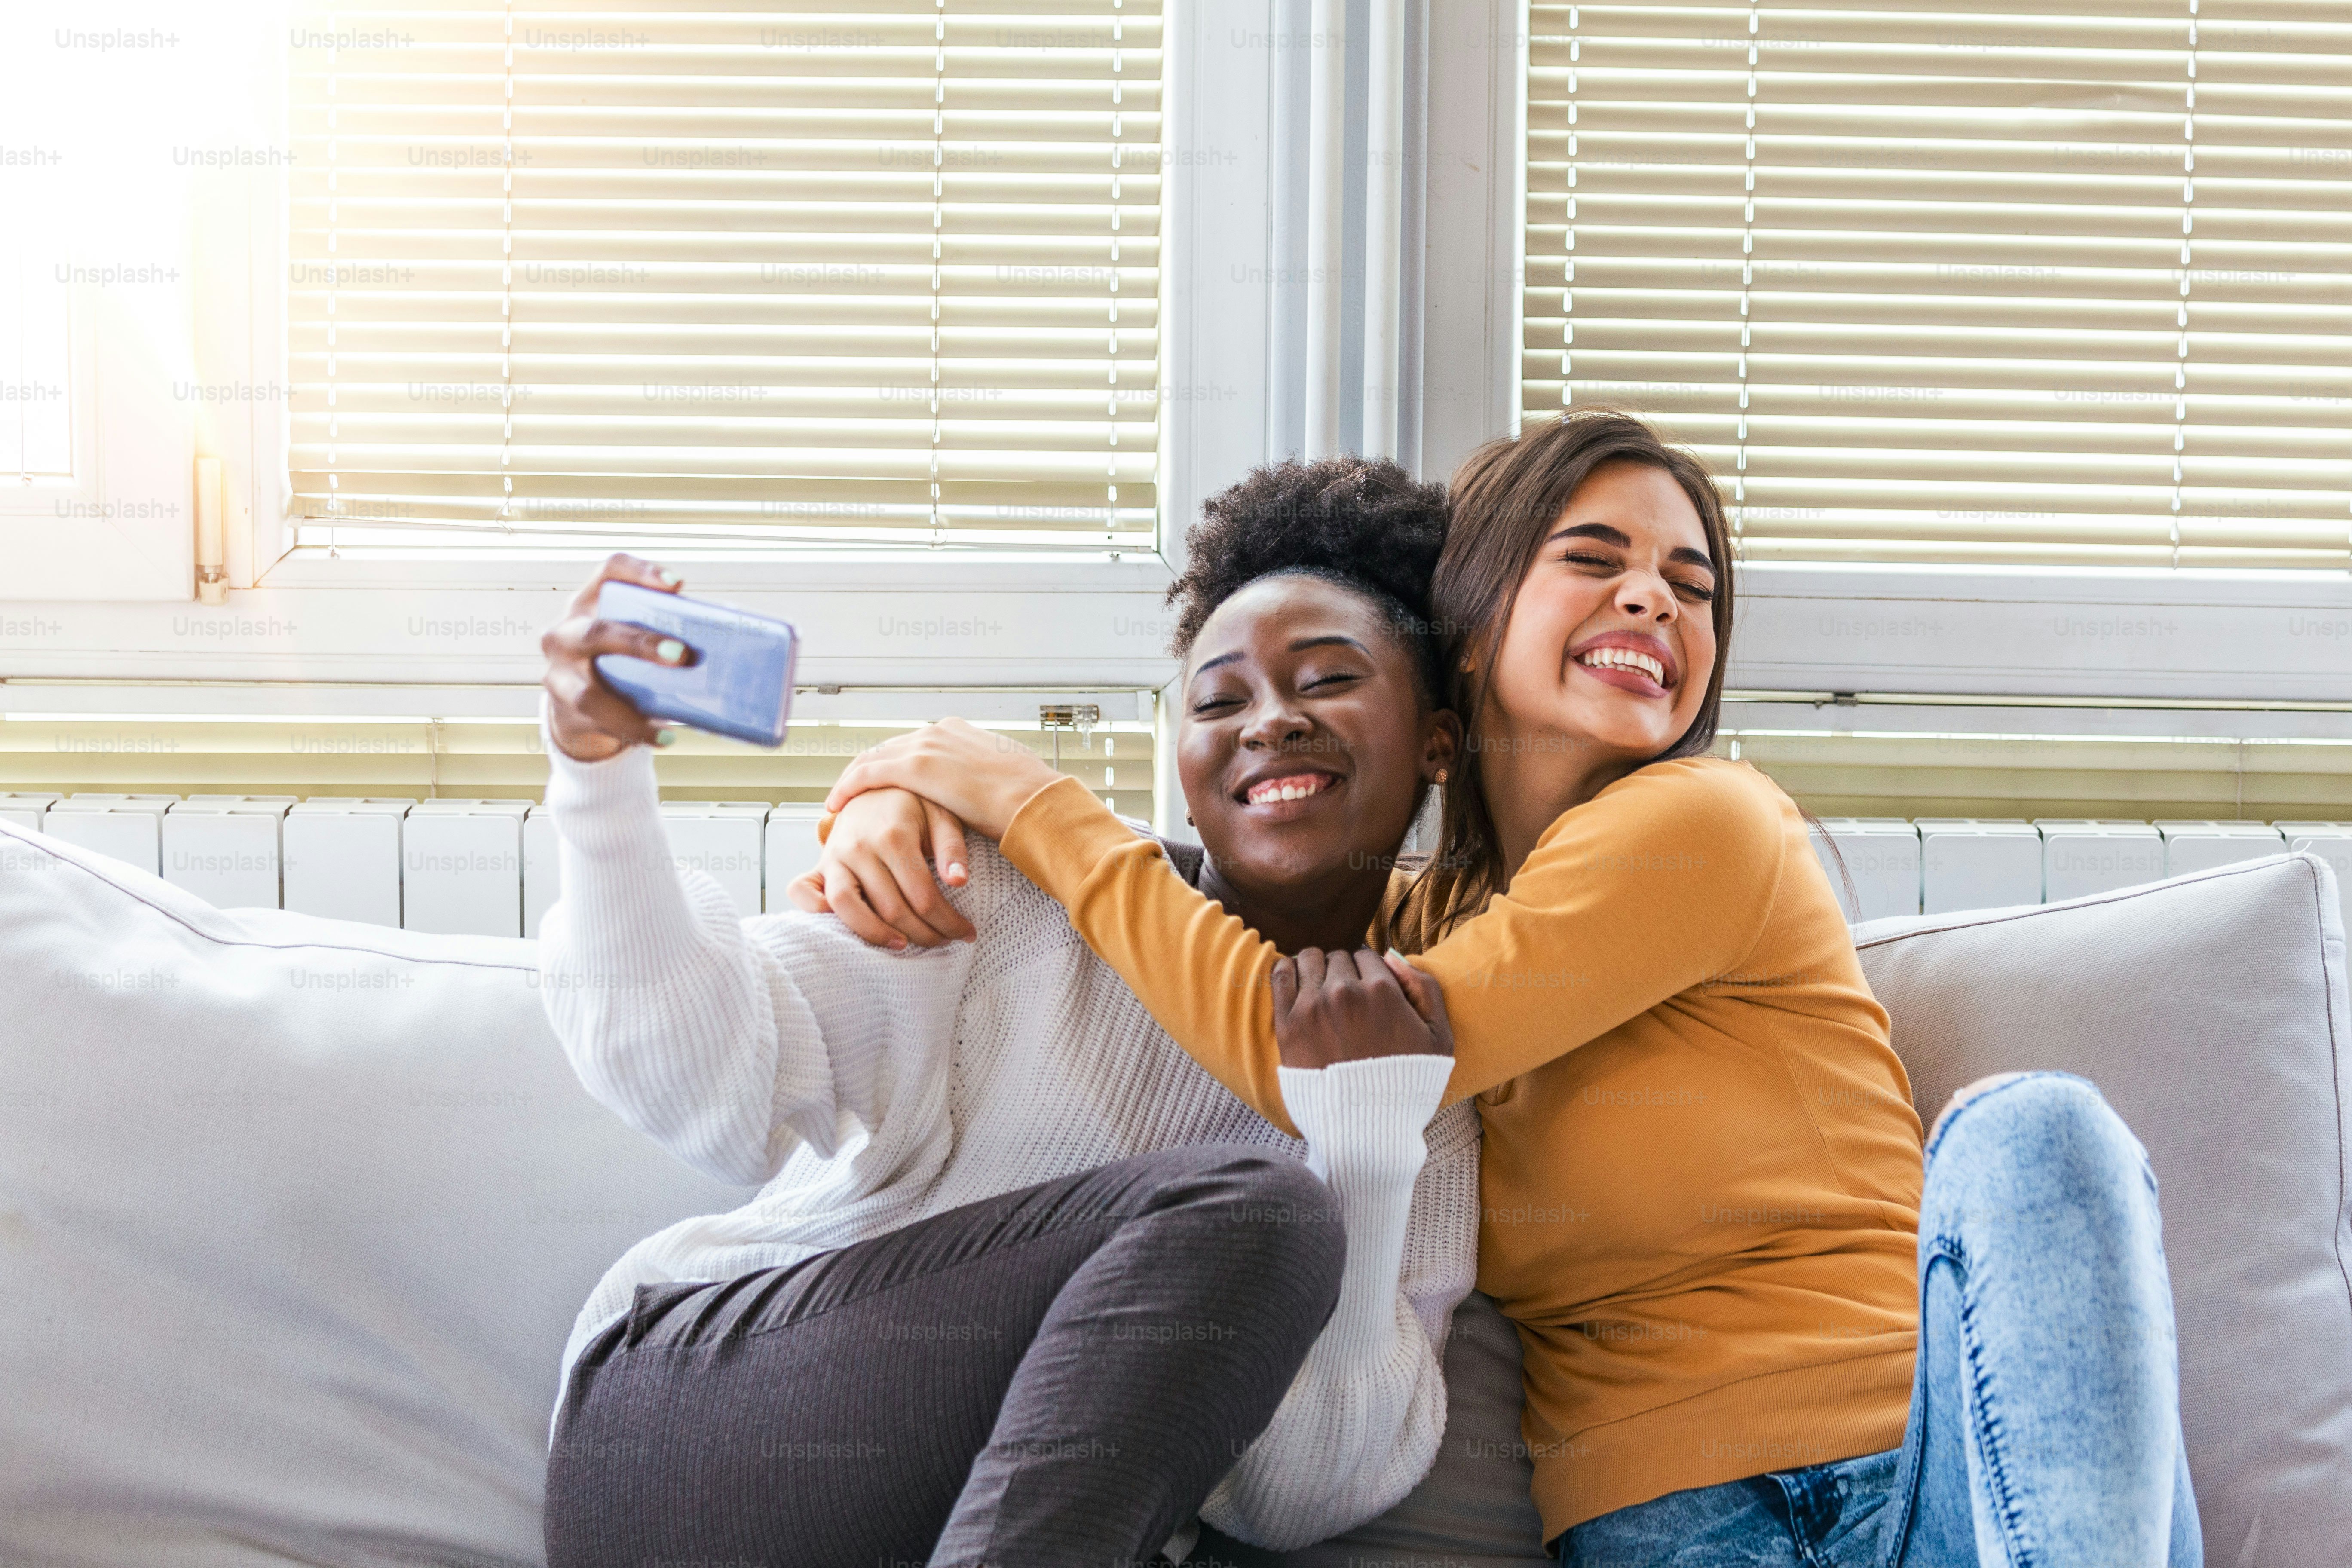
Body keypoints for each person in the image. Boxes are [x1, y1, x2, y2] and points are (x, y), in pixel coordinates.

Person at [817, 409, 2204, 1566]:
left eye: (1692, 584)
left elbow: (1302, 1052)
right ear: (1469, 630)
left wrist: (1032, 801)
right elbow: (1227, 920)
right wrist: (888, 802)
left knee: (2035, 1128)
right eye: (1593, 558)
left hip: (1942, 1471)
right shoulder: (1423, 932)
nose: (1654, 596)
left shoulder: (1703, 826)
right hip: (1674, 1527)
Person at [530, 457, 1478, 1568]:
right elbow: (702, 1082)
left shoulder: (1420, 1080)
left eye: (1325, 681)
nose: (1268, 724)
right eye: (1220, 700)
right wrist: (598, 782)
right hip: (694, 1430)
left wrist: (1363, 1138)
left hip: (977, 1529)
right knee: (1262, 1211)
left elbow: (1302, 1496)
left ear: (1438, 741)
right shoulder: (1013, 903)